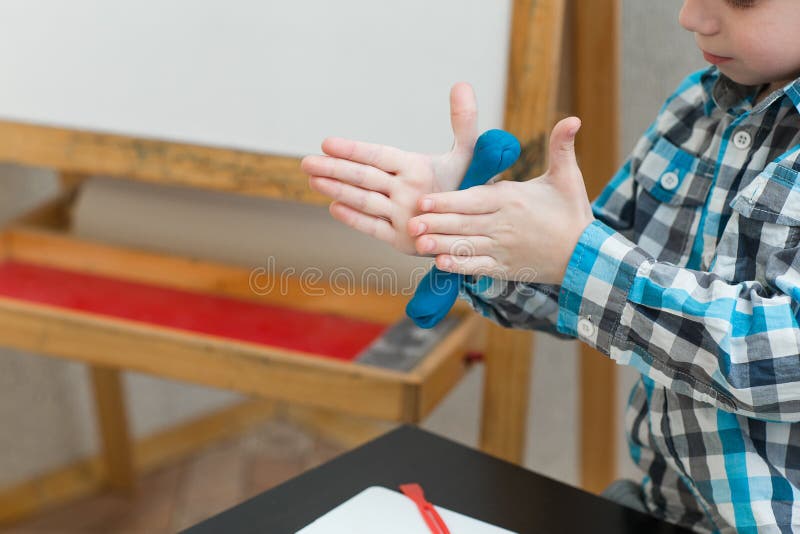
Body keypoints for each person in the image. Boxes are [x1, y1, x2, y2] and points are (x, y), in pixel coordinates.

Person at [300, 0, 800, 531]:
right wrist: (468, 229)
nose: (691, 17)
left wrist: (577, 254)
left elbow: (780, 361)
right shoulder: (692, 110)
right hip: (665, 505)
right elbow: (588, 282)